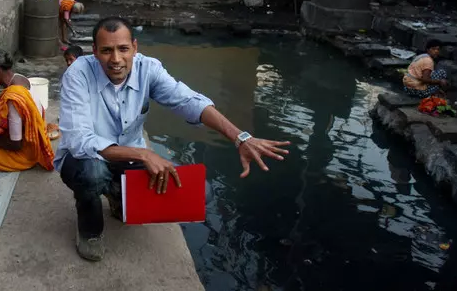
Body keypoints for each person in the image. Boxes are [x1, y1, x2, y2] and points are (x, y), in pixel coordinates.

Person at [57, 17, 291, 261]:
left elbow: (189, 101)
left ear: (135, 48)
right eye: (106, 50)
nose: (115, 59)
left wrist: (240, 137)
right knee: (92, 173)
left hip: (127, 157)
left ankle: (117, 192)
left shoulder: (149, 69)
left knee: (201, 193)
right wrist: (144, 154)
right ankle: (90, 229)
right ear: (94, 51)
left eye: (123, 49)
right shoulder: (78, 74)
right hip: (87, 158)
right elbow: (80, 141)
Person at [0, 47, 55, 172]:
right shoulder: (20, 78)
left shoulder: (13, 98)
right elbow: (15, 118)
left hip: (24, 154)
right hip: (30, 142)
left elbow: (15, 144)